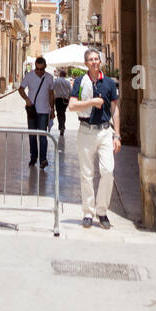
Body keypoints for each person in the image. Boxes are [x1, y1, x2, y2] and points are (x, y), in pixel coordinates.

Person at [68, 48, 120, 228]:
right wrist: (92, 102)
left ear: (100, 62)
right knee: (86, 174)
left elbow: (115, 110)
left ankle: (102, 210)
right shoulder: (80, 83)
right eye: (90, 59)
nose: (94, 62)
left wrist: (117, 135)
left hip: (105, 131)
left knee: (108, 171)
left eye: (97, 59)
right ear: (86, 63)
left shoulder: (109, 83)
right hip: (86, 131)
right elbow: (72, 106)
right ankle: (88, 212)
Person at [18, 56, 53, 168]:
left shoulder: (49, 78)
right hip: (32, 111)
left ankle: (43, 159)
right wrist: (27, 99)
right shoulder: (29, 76)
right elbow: (21, 89)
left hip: (44, 111)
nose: (39, 71)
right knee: (32, 135)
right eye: (37, 69)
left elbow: (51, 94)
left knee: (43, 136)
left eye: (41, 69)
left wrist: (53, 109)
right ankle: (33, 157)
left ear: (45, 68)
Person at [51, 69, 72, 135]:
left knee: (59, 113)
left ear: (60, 75)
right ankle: (62, 126)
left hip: (58, 99)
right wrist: (68, 98)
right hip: (65, 100)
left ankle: (61, 126)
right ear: (65, 75)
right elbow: (71, 91)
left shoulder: (56, 81)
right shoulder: (67, 82)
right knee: (63, 112)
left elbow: (51, 89)